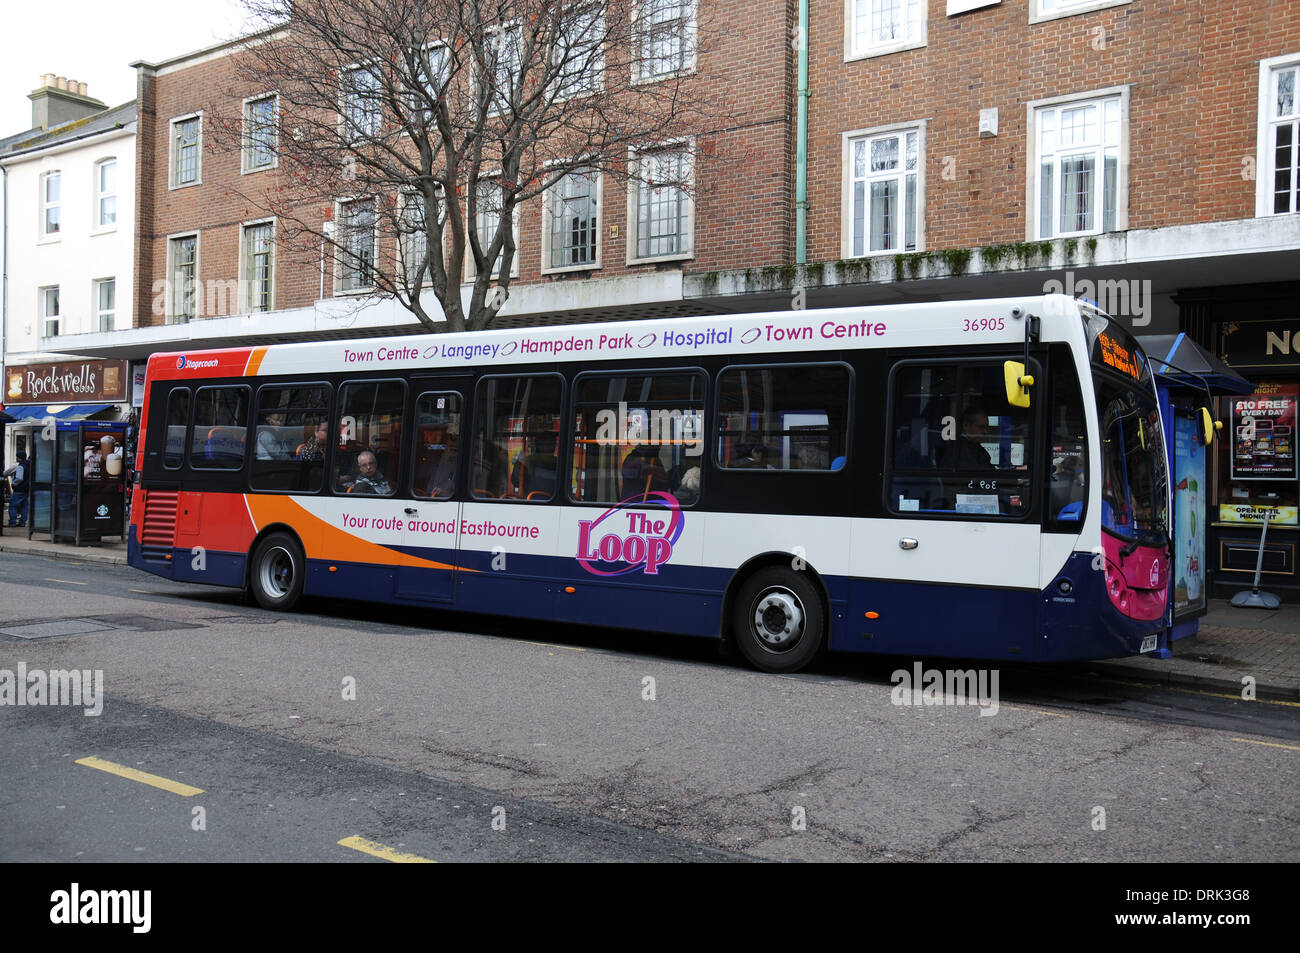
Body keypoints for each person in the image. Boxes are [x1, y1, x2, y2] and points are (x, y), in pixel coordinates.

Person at [5, 452, 29, 527]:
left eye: (17, 457)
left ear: (19, 458)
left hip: (19, 489)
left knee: (12, 505)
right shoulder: (29, 465)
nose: (16, 458)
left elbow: (19, 478)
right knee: (24, 506)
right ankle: (22, 522)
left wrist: (13, 484)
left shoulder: (20, 466)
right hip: (27, 489)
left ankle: (12, 522)